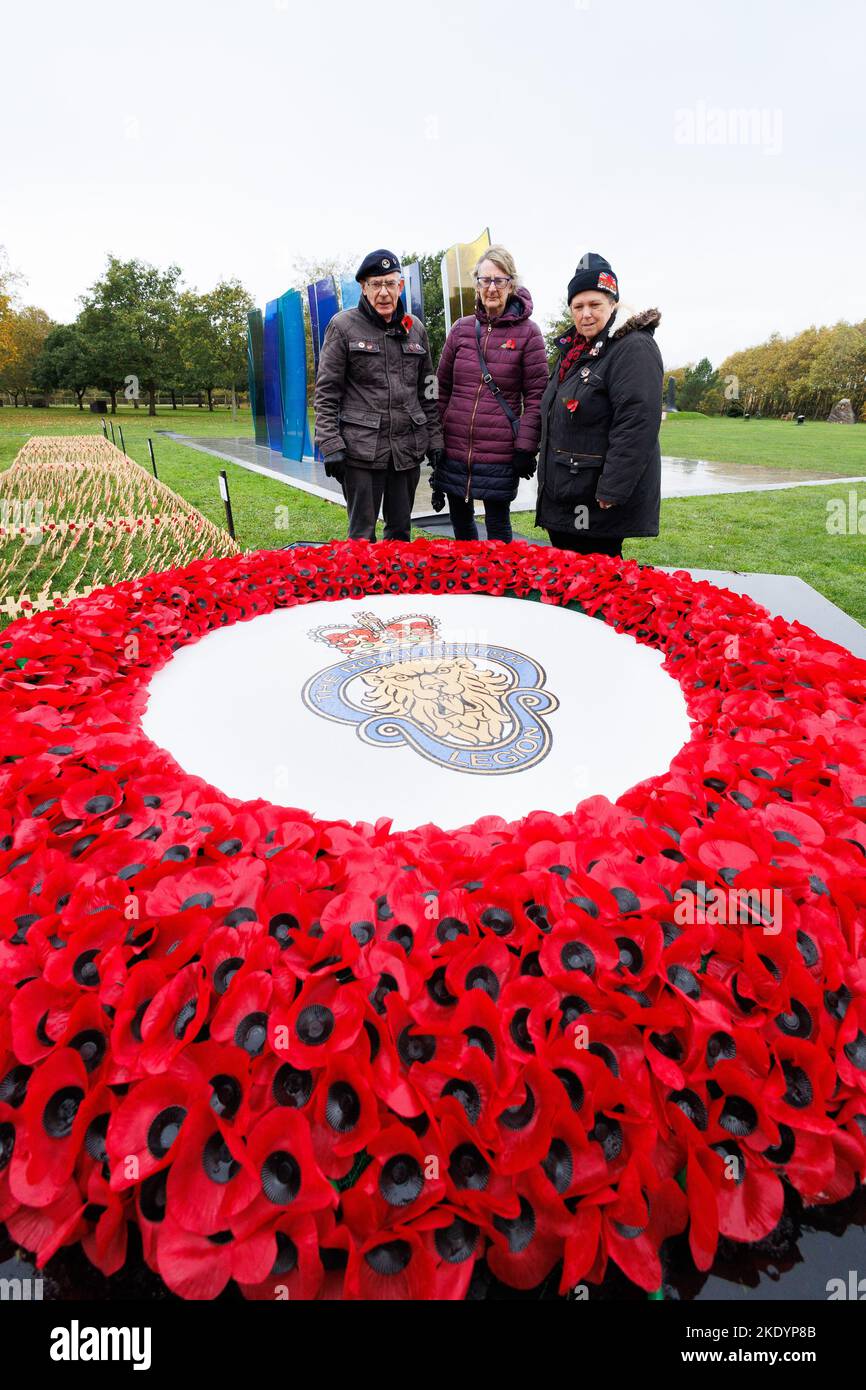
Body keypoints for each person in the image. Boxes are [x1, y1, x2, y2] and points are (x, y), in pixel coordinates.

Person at [535, 252, 663, 558]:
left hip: (596, 498)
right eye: (578, 306)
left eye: (596, 305)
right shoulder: (575, 349)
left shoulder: (632, 347)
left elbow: (637, 421)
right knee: (572, 582)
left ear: (613, 304)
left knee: (597, 586)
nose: (586, 314)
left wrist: (613, 488)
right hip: (569, 493)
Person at [315, 249, 443, 541]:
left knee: (400, 535)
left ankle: (398, 588)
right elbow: (326, 393)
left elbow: (429, 390)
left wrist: (436, 441)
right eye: (376, 284)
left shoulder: (416, 330)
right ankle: (362, 588)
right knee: (362, 537)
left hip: (406, 452)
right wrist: (330, 443)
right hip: (361, 452)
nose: (384, 292)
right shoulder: (343, 326)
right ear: (363, 287)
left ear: (400, 286)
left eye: (390, 283)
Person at [431, 245, 548, 542]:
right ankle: (469, 581)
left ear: (512, 284)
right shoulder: (460, 330)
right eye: (485, 280)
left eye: (499, 280)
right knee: (461, 522)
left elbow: (536, 397)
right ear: (477, 284)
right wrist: (437, 435)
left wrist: (525, 447)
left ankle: (499, 585)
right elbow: (440, 387)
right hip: (456, 446)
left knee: (497, 528)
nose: (491, 288)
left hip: (500, 451)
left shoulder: (529, 334)